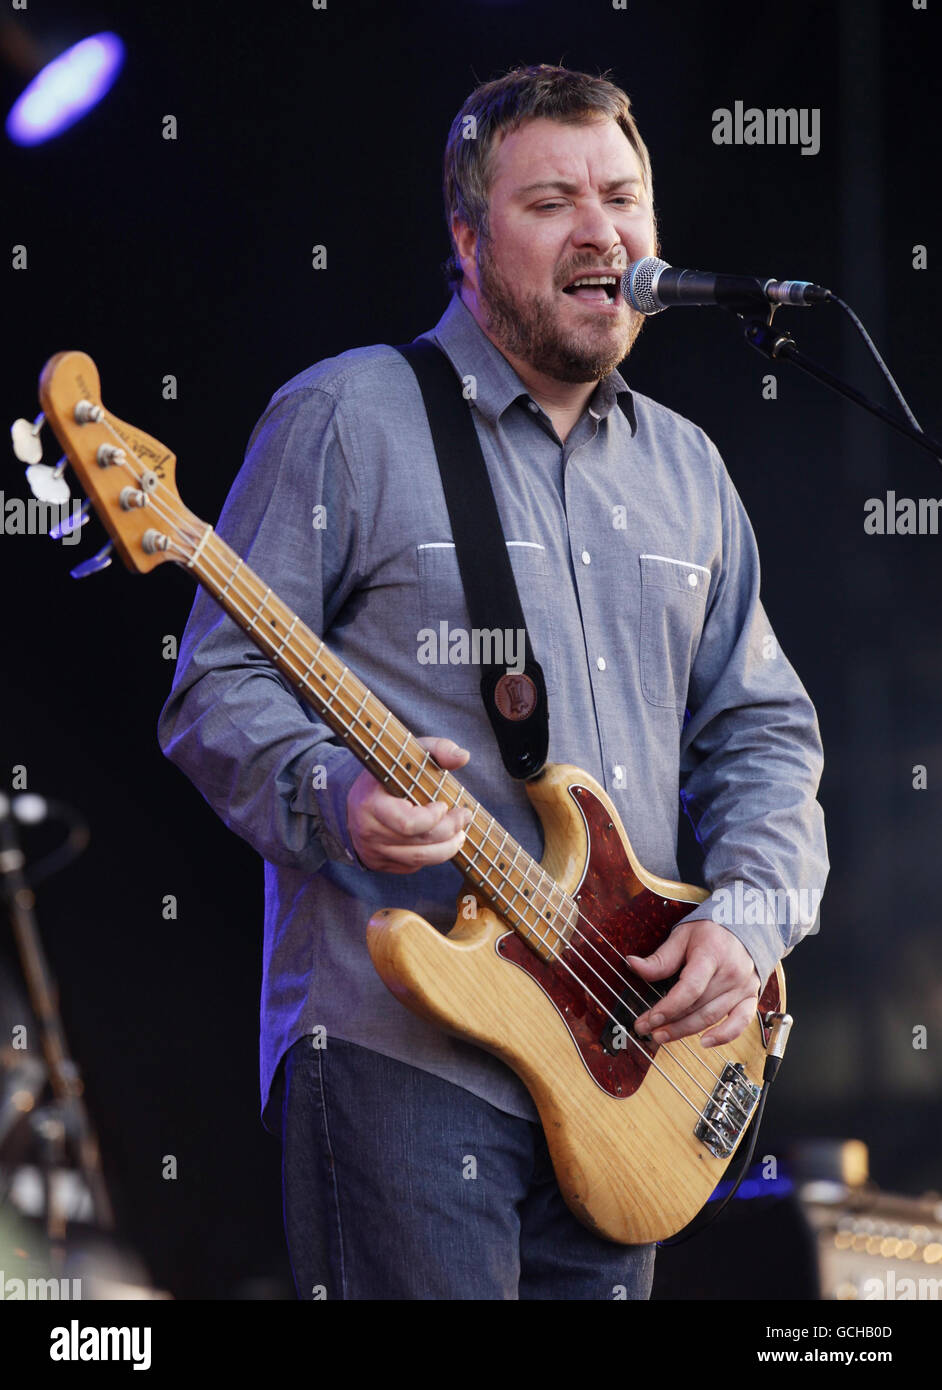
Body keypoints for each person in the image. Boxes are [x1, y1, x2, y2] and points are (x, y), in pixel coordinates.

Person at [157, 64, 828, 1300]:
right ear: (466, 241)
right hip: (400, 1049)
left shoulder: (690, 471)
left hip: (627, 1068)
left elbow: (766, 733)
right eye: (553, 201)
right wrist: (332, 793)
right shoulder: (345, 418)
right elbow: (214, 687)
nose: (603, 232)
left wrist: (750, 917)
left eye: (623, 197)